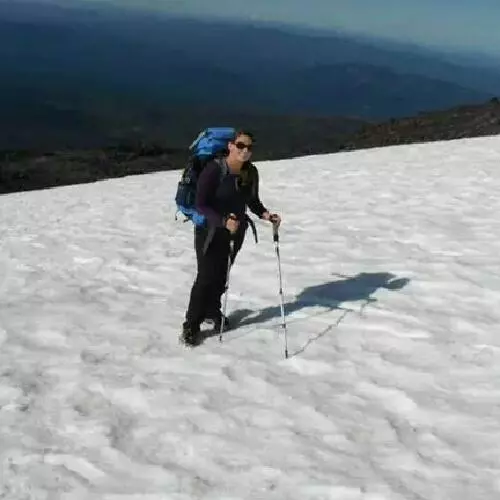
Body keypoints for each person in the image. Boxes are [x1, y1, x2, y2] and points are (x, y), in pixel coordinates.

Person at [181, 130, 281, 346]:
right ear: (230, 145)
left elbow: (252, 200)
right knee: (206, 276)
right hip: (210, 230)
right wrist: (223, 220)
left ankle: (212, 311)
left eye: (249, 147)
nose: (245, 151)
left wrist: (265, 215)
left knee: (222, 273)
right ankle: (191, 325)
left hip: (236, 230)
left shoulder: (250, 172)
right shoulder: (214, 169)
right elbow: (201, 203)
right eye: (240, 145)